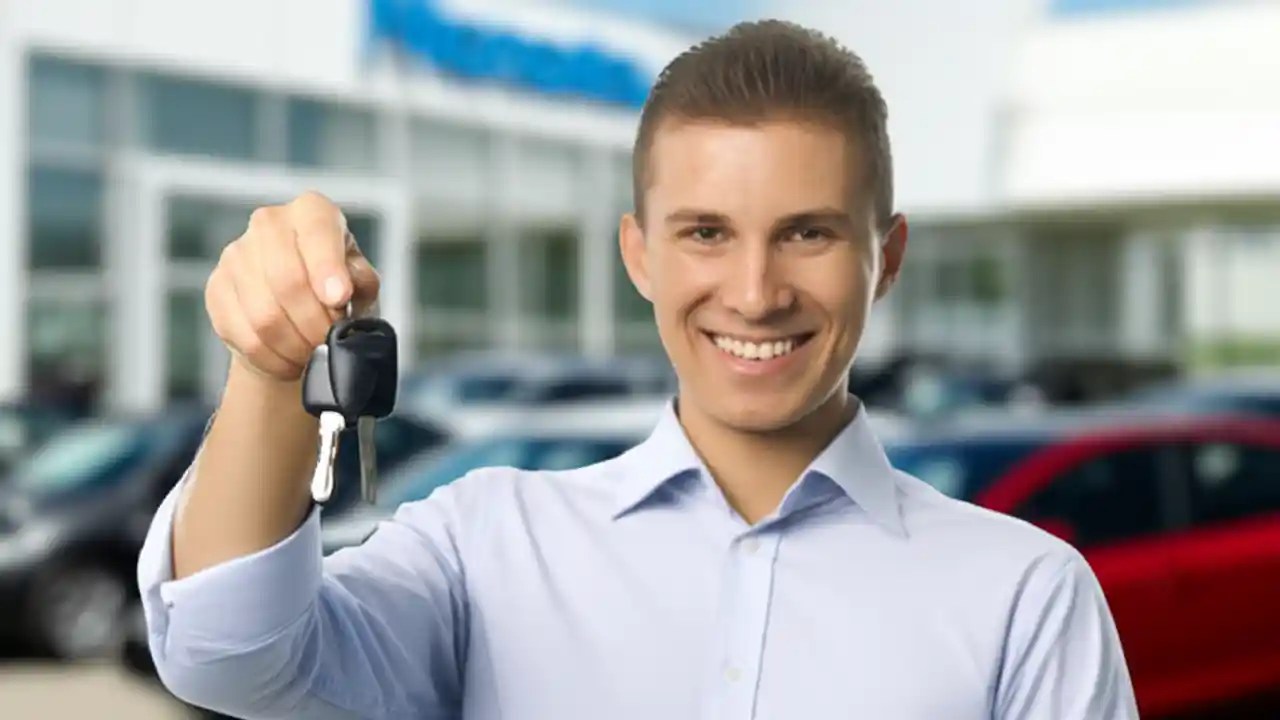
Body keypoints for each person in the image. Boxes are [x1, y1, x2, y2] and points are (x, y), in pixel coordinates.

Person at [138, 19, 1139, 720]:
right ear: (638, 255)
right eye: (705, 232)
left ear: (886, 258)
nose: (753, 292)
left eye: (806, 234)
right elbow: (227, 656)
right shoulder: (486, 547)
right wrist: (269, 370)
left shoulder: (1023, 596)